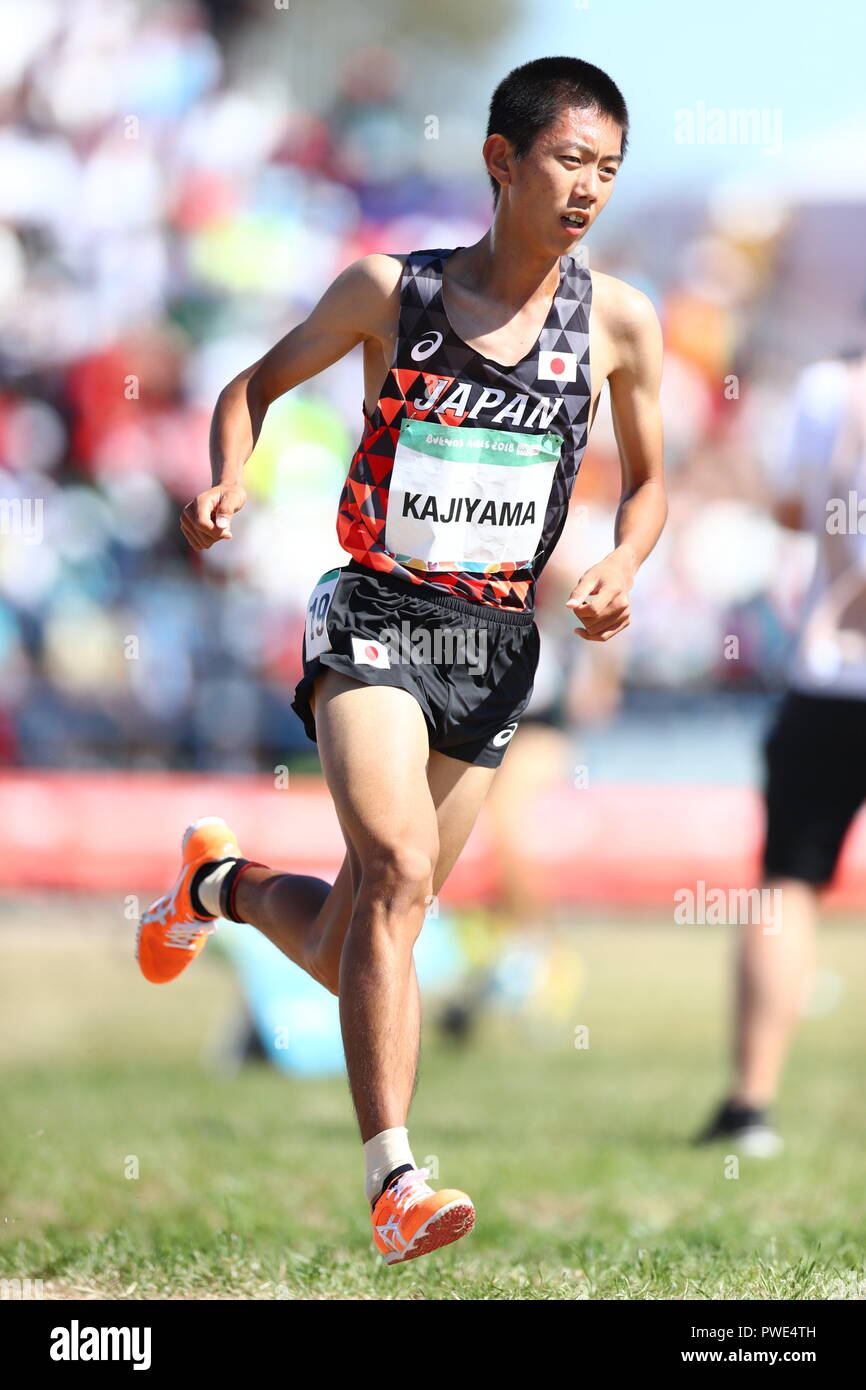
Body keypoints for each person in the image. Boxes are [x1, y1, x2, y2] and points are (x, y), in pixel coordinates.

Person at [136, 55, 667, 1264]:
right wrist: (226, 478)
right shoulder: (393, 292)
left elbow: (649, 488)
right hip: (374, 610)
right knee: (397, 862)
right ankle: (397, 1181)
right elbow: (249, 387)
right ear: (500, 159)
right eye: (568, 161)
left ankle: (212, 886)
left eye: (608, 170)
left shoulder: (618, 321)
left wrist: (624, 563)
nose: (587, 188)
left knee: (364, 929)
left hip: (494, 643)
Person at [697, 349, 866, 1156]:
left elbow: (796, 509)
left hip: (834, 672)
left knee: (788, 884)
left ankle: (749, 1106)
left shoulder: (832, 386)